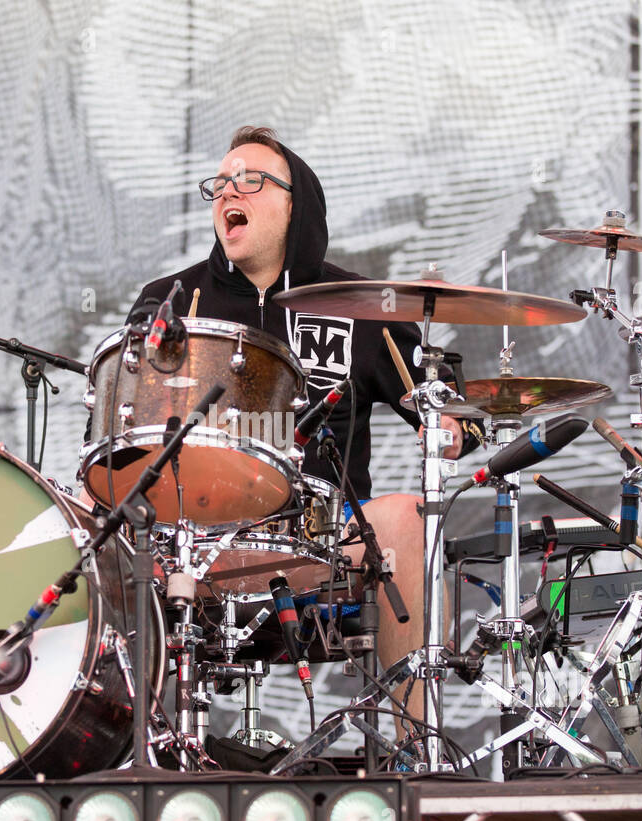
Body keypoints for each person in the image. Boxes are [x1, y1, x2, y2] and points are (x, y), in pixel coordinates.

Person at [124, 125, 481, 730]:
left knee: (406, 520)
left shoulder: (359, 306)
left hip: (324, 543)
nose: (228, 191)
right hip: (196, 541)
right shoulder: (172, 300)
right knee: (86, 518)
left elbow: (453, 411)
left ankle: (416, 748)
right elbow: (123, 430)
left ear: (296, 204)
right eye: (221, 183)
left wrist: (449, 427)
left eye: (252, 180)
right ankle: (118, 748)